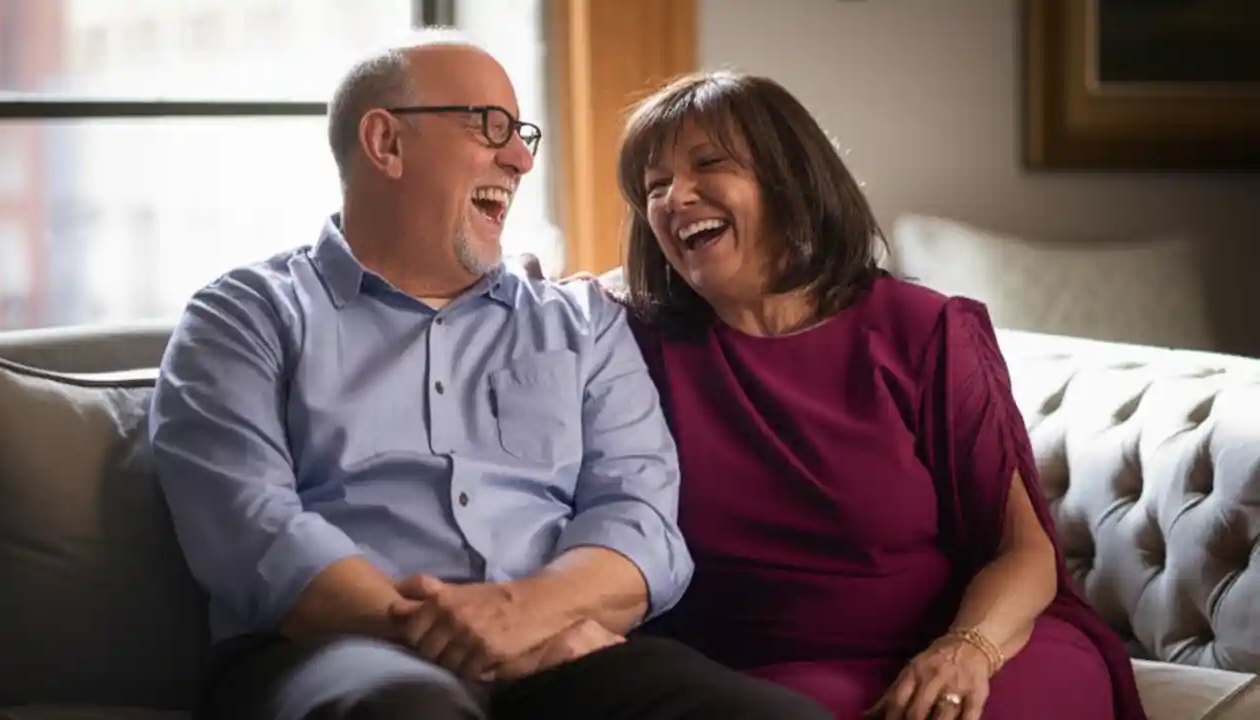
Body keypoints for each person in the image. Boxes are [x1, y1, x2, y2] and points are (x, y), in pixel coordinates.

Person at [148, 41, 831, 720]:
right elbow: (252, 530)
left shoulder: (584, 323)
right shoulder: (243, 316)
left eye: (522, 134)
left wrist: (521, 614)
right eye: (491, 127)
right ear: (386, 142)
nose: (522, 159)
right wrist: (464, 638)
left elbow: (641, 521)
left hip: (557, 648)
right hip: (327, 651)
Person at [607, 70, 1148, 720]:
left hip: (971, 645)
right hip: (759, 678)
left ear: (789, 180)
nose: (675, 197)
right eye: (654, 186)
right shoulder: (632, 350)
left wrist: (965, 651)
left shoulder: (926, 331)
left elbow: (1024, 553)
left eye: (707, 165)